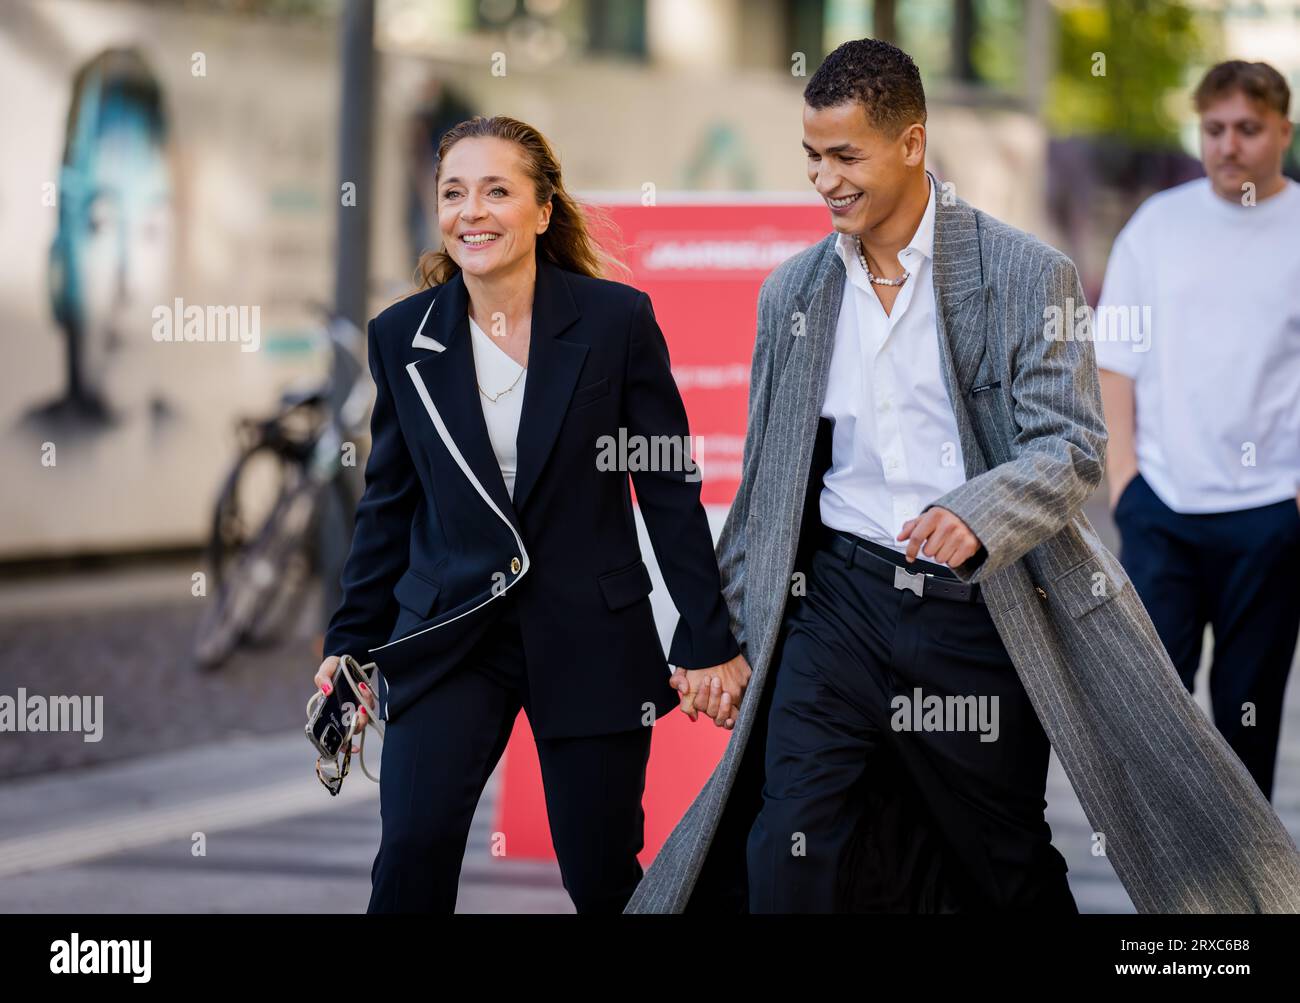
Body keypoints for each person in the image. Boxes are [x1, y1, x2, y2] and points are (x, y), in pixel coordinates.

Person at [631, 39, 1300, 914]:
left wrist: (982, 510)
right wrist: (714, 633)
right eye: (812, 158)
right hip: (837, 604)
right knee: (787, 839)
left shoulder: (1026, 275)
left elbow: (1071, 443)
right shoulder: (792, 293)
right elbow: (768, 481)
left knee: (1002, 858)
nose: (824, 180)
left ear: (911, 143)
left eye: (845, 156)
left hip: (975, 613)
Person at [314, 115, 749, 914]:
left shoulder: (616, 321)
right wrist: (348, 648)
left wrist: (706, 633)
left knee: (602, 873)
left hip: (591, 630)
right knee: (410, 855)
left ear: (543, 210)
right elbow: (387, 503)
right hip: (448, 633)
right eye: (454, 191)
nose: (471, 210)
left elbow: (667, 486)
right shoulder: (401, 337)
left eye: (496, 190)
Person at [1096, 60, 1300, 802]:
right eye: (1214, 129)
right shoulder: (1159, 226)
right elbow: (1113, 362)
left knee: (1248, 725)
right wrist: (1127, 489)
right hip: (1164, 512)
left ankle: (1244, 899)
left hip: (1270, 516)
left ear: (1283, 129)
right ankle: (1168, 896)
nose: (1228, 146)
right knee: (1153, 720)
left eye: (1248, 129)